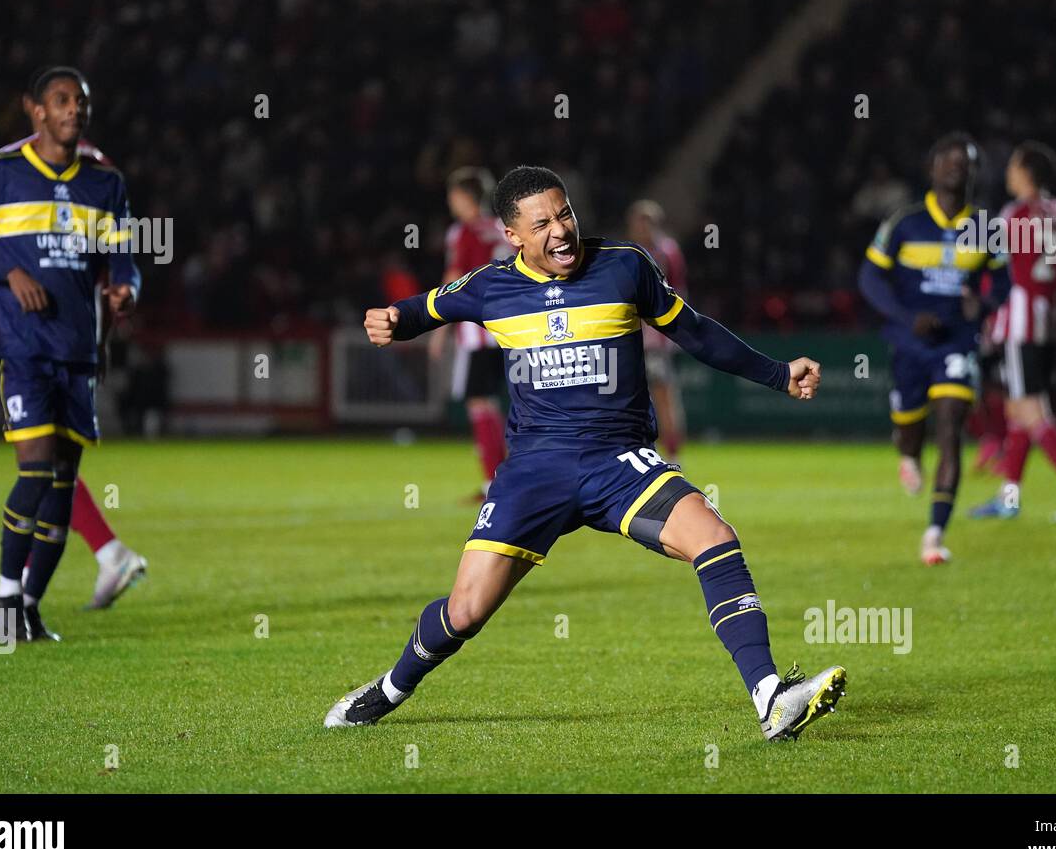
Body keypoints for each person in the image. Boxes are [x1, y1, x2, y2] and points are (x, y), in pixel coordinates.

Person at [325, 166, 845, 741]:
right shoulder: (490, 285)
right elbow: (424, 310)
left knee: (715, 539)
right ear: (513, 236)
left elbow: (695, 333)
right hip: (533, 472)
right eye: (542, 223)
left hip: (616, 462)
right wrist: (393, 321)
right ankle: (390, 689)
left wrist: (777, 374)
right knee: (466, 611)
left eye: (565, 213)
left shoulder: (625, 265)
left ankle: (771, 697)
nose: (561, 231)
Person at [0, 72, 147, 609]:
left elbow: (124, 264)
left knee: (61, 481)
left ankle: (28, 605)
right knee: (34, 471)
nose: (74, 109)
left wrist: (126, 291)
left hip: (78, 350)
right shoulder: (2, 172)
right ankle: (8, 597)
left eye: (81, 100)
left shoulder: (105, 183)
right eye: (62, 100)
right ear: (34, 109)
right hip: (22, 346)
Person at [859, 133, 1009, 564]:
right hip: (909, 344)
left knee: (950, 431)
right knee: (909, 432)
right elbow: (870, 278)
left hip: (957, 344)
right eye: (948, 158)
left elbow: (1002, 283)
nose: (957, 165)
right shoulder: (903, 222)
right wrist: (907, 319)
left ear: (976, 173)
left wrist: (982, 304)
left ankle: (934, 534)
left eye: (967, 160)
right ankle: (907, 453)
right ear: (931, 168)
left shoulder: (985, 226)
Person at [969, 142, 1056, 522]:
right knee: (1019, 411)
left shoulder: (1013, 217)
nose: (1008, 173)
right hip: (1048, 321)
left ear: (1027, 172)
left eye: (1013, 166)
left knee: (1031, 410)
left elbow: (991, 273)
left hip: (1020, 321)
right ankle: (1009, 498)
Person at [428, 167, 514, 499]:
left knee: (478, 403)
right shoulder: (501, 230)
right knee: (498, 402)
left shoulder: (462, 232)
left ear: (465, 196)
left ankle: (494, 482)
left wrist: (437, 329)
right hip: (507, 330)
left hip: (476, 332)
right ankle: (505, 476)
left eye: (453, 195)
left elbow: (453, 279)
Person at [627, 199, 688, 460]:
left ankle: (672, 456)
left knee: (664, 396)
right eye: (636, 223)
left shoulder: (667, 252)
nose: (640, 228)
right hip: (630, 338)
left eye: (645, 222)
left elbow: (678, 292)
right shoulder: (627, 251)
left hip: (657, 338)